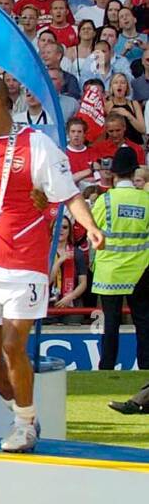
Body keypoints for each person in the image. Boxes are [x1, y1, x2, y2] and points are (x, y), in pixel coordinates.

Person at [0, 74, 104, 452]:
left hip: (24, 261)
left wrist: (89, 226)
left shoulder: (36, 144)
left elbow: (68, 193)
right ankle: (24, 413)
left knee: (11, 345)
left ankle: (23, 424)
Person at [89, 147, 149, 374]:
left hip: (110, 272)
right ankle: (146, 368)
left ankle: (106, 368)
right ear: (134, 172)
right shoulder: (145, 200)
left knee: (111, 324)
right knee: (143, 321)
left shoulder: (104, 200)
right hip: (140, 270)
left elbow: (93, 232)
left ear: (114, 174)